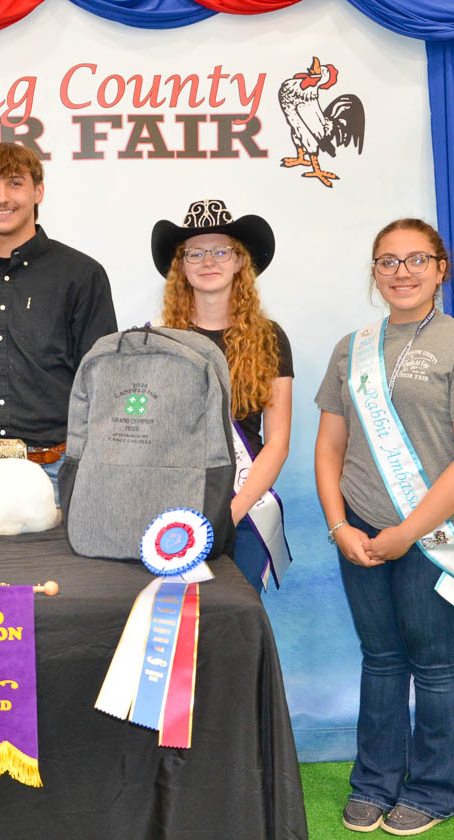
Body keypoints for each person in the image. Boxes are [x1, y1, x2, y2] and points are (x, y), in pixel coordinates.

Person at [314, 218, 454, 836]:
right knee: (380, 658)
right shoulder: (352, 346)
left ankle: (431, 789)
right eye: (388, 261)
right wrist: (339, 524)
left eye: (416, 260)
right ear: (374, 273)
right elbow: (329, 448)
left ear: (440, 268)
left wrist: (406, 533)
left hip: (437, 532)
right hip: (362, 528)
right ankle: (373, 781)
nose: (402, 272)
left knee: (432, 662)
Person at [0, 142, 116, 497]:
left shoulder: (81, 275)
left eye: (15, 183)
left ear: (38, 191)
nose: (1, 197)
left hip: (55, 471)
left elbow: (102, 382)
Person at [151, 199, 292, 593]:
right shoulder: (159, 341)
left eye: (221, 250)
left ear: (239, 262)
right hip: (176, 513)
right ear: (180, 266)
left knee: (238, 626)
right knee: (176, 624)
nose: (207, 260)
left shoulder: (270, 338)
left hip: (244, 508)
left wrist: (232, 512)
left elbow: (278, 442)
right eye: (194, 252)